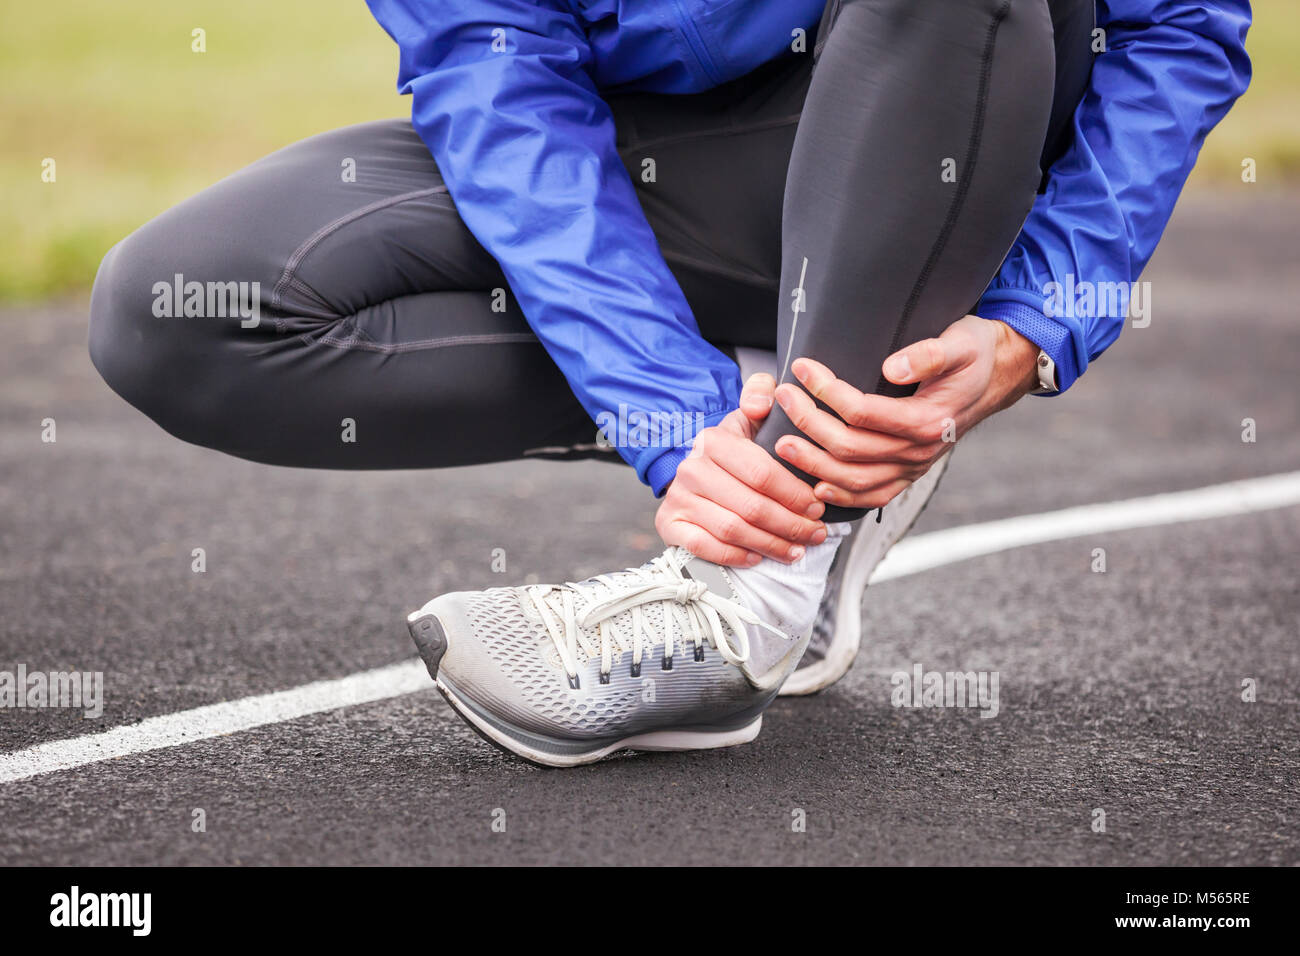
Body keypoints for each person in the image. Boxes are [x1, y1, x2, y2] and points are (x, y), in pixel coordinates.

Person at [88, 0, 1250, 766]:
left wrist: (1036, 320)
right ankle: (793, 427)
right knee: (180, 308)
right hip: (664, 157)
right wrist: (669, 412)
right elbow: (499, 79)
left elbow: (1183, 25)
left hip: (944, 97)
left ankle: (753, 587)